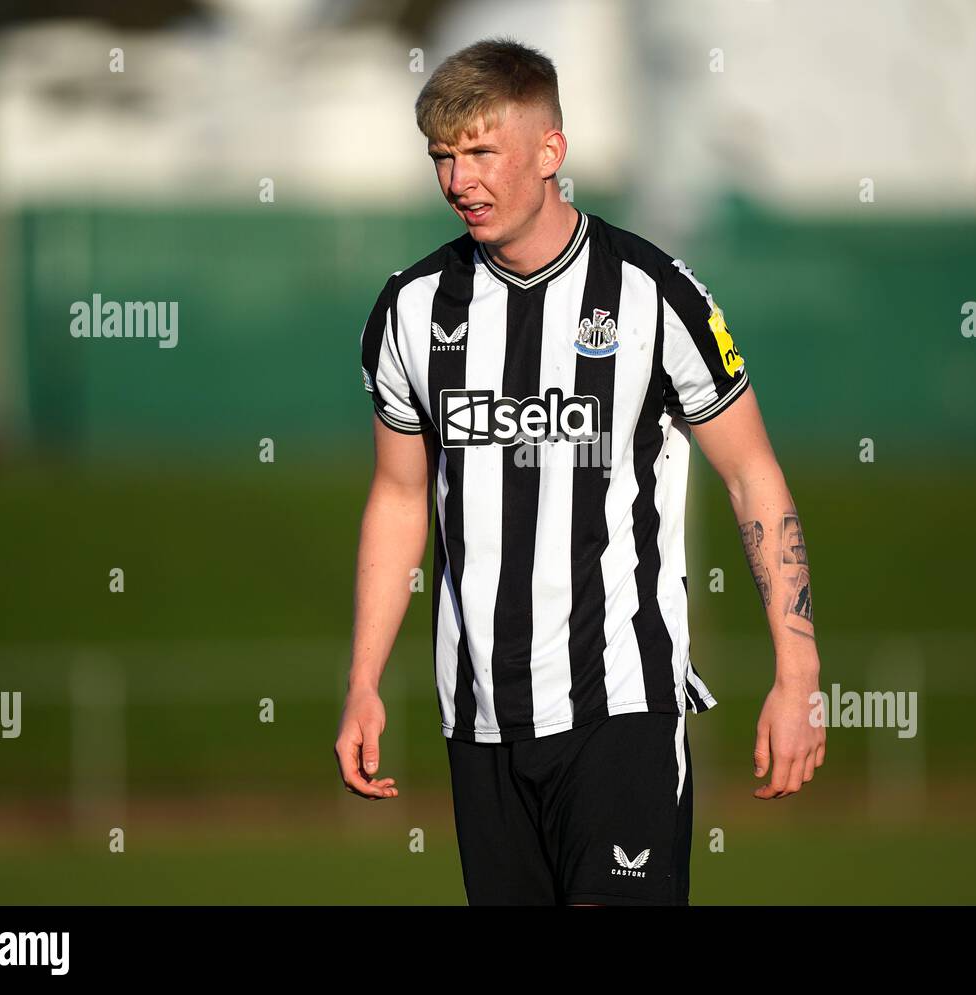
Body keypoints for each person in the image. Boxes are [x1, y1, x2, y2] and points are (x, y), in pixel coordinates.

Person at [335, 36, 824, 906]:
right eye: (443, 157)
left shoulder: (654, 292)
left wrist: (798, 677)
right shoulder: (412, 309)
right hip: (478, 719)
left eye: (482, 151)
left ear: (551, 152)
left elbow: (755, 477)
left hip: (619, 704)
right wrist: (364, 680)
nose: (459, 181)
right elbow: (400, 494)